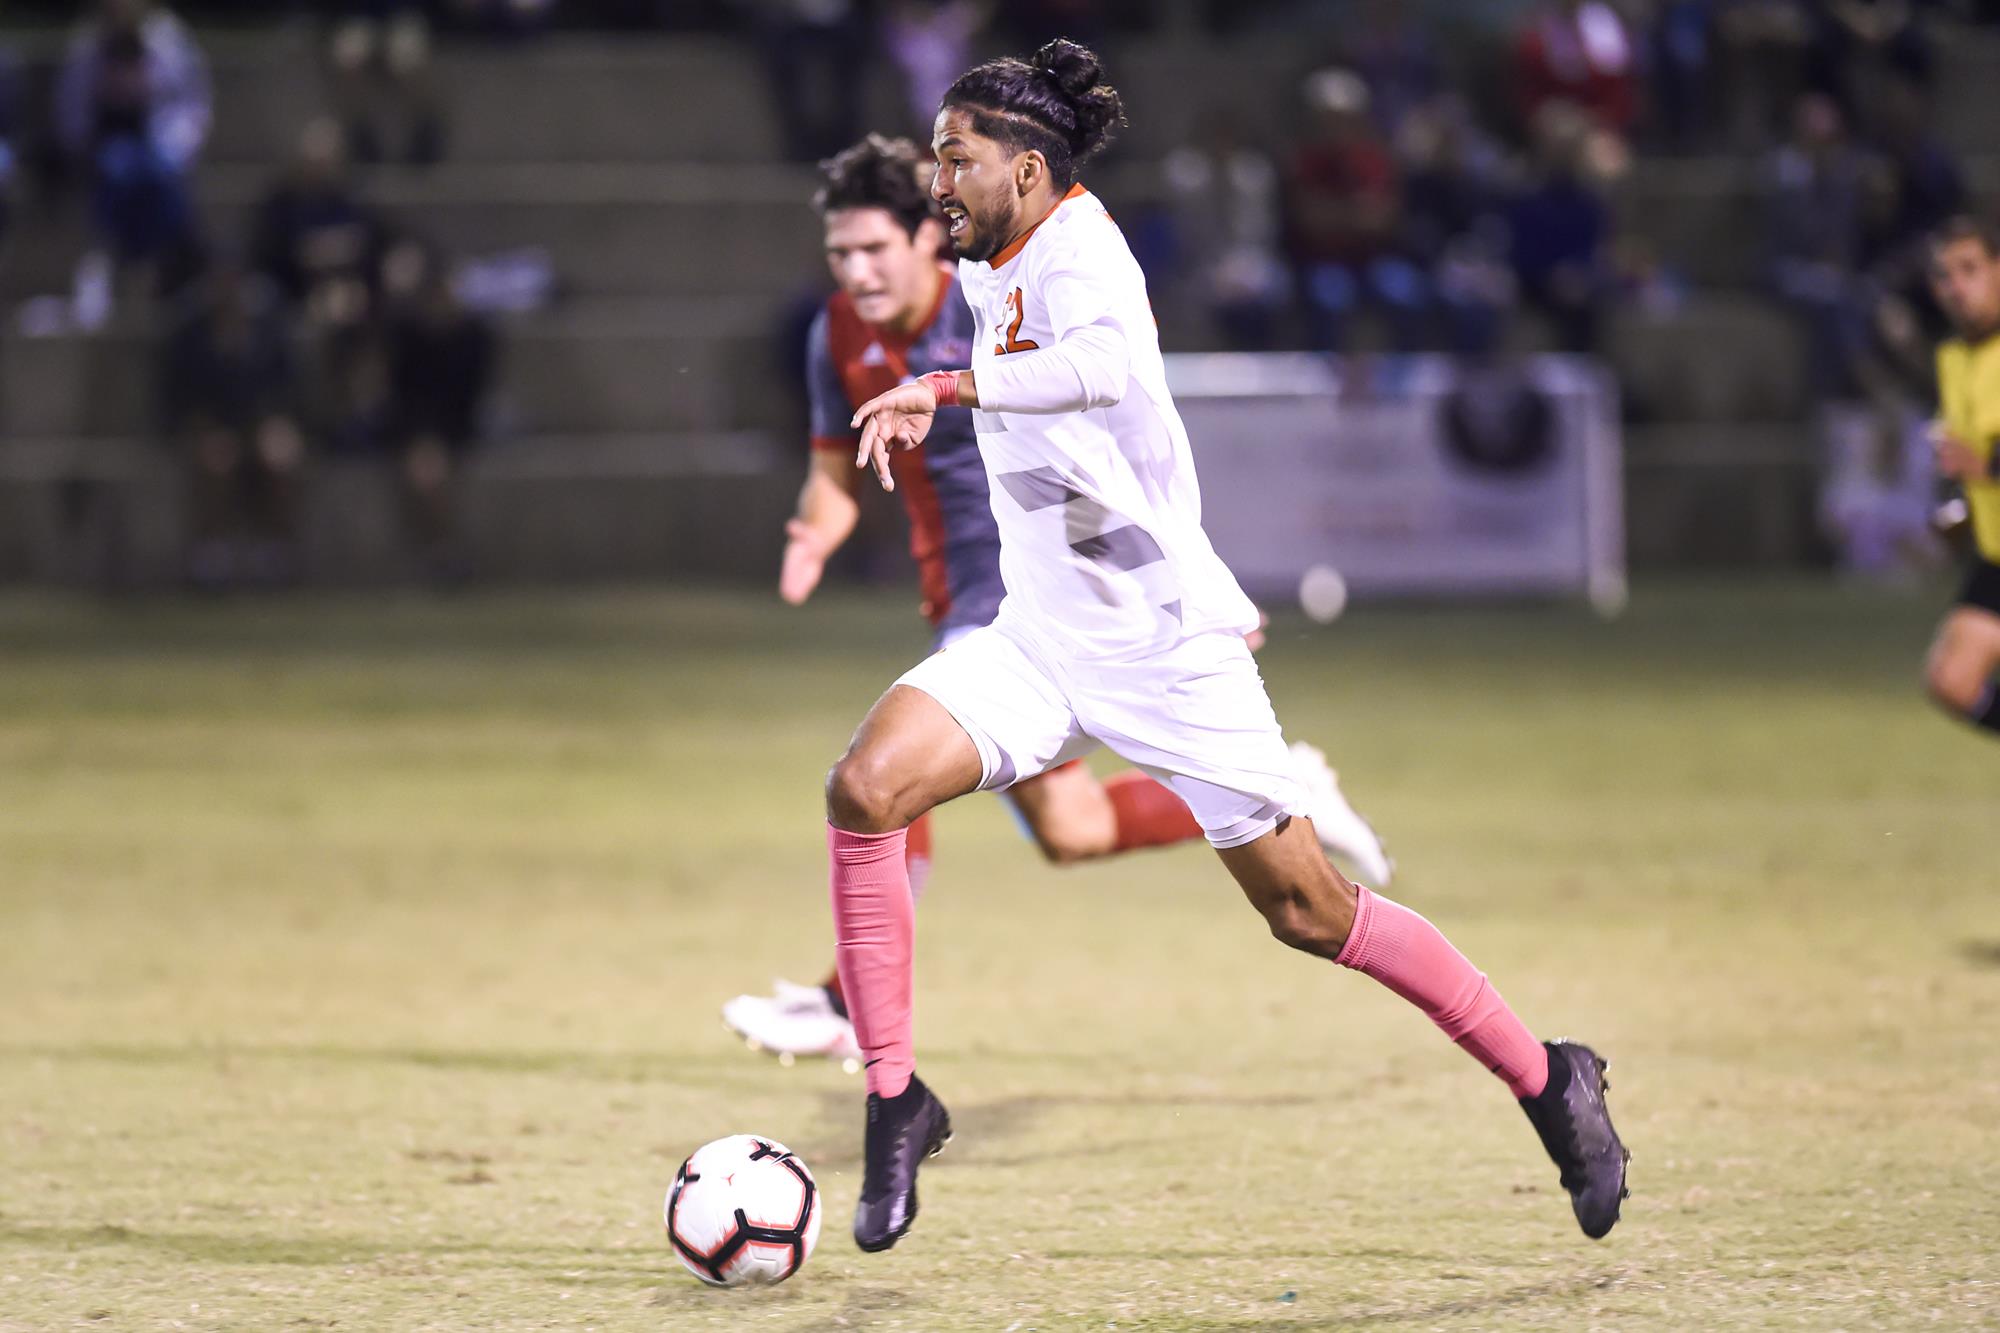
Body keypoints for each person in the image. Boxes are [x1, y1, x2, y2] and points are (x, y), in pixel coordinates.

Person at [829, 38, 1628, 1254]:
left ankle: (1546, 1075)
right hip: (1042, 636)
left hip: (1161, 649)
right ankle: (897, 1098)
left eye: (957, 159)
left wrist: (945, 389)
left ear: (1029, 171)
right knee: (864, 787)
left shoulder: (1087, 251)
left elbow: (1100, 371)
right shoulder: (988, 255)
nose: (937, 180)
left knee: (1310, 912)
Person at [723, 133, 1393, 1065]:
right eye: (841, 255)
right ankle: (1295, 788)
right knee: (1071, 832)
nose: (858, 272)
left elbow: (1118, 445)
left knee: (885, 784)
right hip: (954, 585)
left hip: (1031, 589)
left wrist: (1189, 584)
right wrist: (812, 533)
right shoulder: (837, 331)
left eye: (876, 248)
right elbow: (832, 473)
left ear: (928, 236)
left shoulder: (988, 309)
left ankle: (851, 1004)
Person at [1921, 216, 2000, 738]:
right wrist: (1958, 507)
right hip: (1995, 553)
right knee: (1951, 680)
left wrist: (1985, 467)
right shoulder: (1951, 358)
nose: (1958, 286)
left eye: (1970, 269)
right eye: (1946, 275)